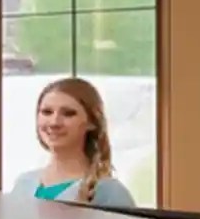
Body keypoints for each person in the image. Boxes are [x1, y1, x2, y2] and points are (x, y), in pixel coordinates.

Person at [10, 77, 136, 207]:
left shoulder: (109, 192)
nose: (54, 122)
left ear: (92, 123)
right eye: (47, 112)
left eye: (68, 114)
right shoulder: (23, 184)